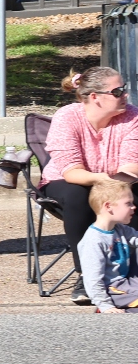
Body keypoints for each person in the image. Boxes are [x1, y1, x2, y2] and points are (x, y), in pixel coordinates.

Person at [40, 66, 138, 304]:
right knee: (77, 194)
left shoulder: (133, 116)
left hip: (118, 180)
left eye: (124, 89)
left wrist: (114, 185)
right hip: (65, 181)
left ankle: (131, 273)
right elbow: (72, 172)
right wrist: (104, 181)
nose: (125, 95)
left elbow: (133, 164)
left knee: (132, 194)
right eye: (118, 91)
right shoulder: (67, 117)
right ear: (94, 97)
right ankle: (86, 274)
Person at [77, 179, 138, 313]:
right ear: (108, 206)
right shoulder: (94, 240)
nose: (134, 207)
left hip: (126, 283)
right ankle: (115, 312)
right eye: (128, 203)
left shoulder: (120, 229)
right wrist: (105, 306)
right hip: (112, 289)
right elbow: (93, 279)